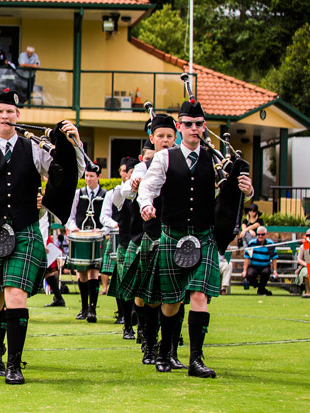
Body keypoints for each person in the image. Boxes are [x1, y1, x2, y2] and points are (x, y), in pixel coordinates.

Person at [0, 86, 83, 384]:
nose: (5, 116)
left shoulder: (34, 148)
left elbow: (69, 171)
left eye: (10, 111)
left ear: (18, 115)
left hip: (24, 230)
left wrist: (73, 142)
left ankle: (14, 363)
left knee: (15, 295)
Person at [138, 96, 255, 378]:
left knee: (200, 296)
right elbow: (148, 187)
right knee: (171, 301)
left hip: (204, 236)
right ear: (180, 126)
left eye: (199, 124)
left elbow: (231, 198)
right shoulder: (165, 157)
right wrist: (146, 204)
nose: (194, 128)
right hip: (172, 234)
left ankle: (196, 360)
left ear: (204, 127)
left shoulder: (217, 161)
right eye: (188, 124)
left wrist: (248, 191)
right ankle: (165, 351)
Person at [117, 123, 174, 365]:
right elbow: (126, 192)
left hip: (174, 235)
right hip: (143, 236)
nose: (165, 141)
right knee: (145, 296)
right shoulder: (141, 168)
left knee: (174, 296)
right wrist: (134, 184)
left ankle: (170, 349)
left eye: (169, 136)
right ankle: (147, 339)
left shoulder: (179, 164)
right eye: (160, 136)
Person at [65, 163, 107, 322]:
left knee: (94, 272)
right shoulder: (78, 194)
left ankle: (92, 309)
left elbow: (106, 216)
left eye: (91, 176)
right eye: (86, 176)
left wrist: (102, 230)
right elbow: (71, 216)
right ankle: (83, 308)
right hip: (81, 238)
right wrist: (74, 228)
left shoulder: (105, 194)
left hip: (96, 239)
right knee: (81, 273)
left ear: (98, 177)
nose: (88, 179)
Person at [108, 156, 141, 338]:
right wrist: (129, 183)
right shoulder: (119, 192)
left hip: (143, 243)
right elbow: (121, 195)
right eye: (131, 172)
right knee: (127, 287)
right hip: (126, 243)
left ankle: (143, 329)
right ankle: (127, 326)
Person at [242, 226, 279, 296]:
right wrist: (244, 271)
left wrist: (275, 271)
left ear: (266, 234)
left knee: (266, 272)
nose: (260, 236)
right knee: (249, 275)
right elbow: (247, 258)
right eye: (258, 234)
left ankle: (261, 290)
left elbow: (274, 258)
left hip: (265, 266)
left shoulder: (270, 243)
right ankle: (262, 289)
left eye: (262, 234)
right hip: (254, 266)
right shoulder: (252, 243)